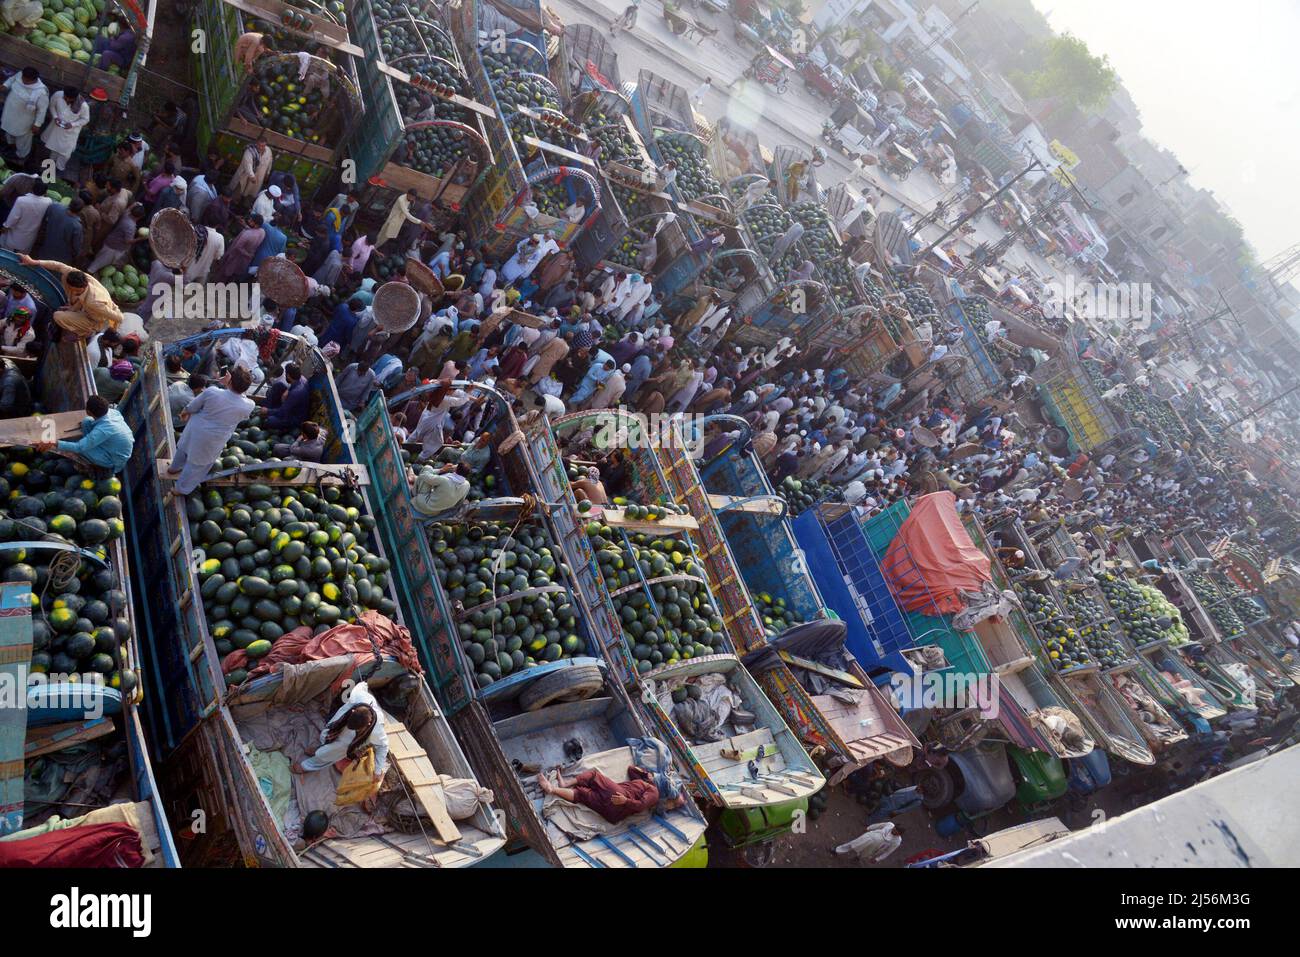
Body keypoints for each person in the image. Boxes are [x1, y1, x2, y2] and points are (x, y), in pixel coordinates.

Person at [167, 366, 257, 495]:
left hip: (195, 430)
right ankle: (179, 489)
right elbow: (238, 398)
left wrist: (185, 412)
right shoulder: (249, 405)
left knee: (183, 450)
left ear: (230, 381)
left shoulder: (212, 391)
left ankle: (173, 469)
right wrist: (230, 386)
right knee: (196, 465)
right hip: (214, 440)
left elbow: (192, 406)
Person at [291, 681, 389, 787]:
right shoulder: (358, 697)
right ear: (353, 711)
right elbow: (362, 686)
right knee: (328, 733)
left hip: (355, 738)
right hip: (344, 721)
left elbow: (383, 746)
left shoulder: (377, 731)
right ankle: (321, 747)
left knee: (332, 751)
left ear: (368, 724)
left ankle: (308, 766)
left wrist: (378, 771)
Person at [19, 254, 121, 339]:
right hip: (87, 306)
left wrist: (113, 327)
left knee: (58, 316)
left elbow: (119, 317)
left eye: (74, 291)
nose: (70, 291)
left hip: (93, 319)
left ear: (79, 288)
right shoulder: (76, 275)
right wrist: (34, 262)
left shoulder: (94, 302)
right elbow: (57, 266)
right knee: (65, 281)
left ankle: (85, 331)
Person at [536, 763, 675, 824]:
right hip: (611, 813)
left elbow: (640, 805)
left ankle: (565, 783)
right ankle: (552, 789)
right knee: (582, 794)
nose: (651, 775)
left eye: (654, 776)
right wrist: (645, 774)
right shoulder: (644, 782)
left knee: (594, 775)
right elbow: (631, 769)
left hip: (619, 799)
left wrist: (625, 801)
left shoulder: (654, 792)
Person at [38, 395, 133, 475]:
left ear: (88, 411)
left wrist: (54, 442)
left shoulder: (103, 430)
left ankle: (88, 447)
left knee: (80, 448)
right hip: (111, 446)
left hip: (112, 461)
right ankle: (88, 443)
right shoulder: (113, 412)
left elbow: (79, 447)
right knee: (86, 421)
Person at [1, 67, 48, 161]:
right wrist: (5, 85)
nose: (23, 80)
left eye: (26, 80)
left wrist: (37, 124)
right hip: (9, 113)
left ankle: (21, 155)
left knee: (22, 140)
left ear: (33, 80)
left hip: (24, 120)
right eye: (23, 77)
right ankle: (11, 146)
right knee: (9, 132)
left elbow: (42, 110)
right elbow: (11, 80)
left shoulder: (41, 92)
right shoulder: (19, 75)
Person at [41, 87, 89, 173]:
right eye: (65, 98)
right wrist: (55, 117)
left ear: (74, 98)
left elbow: (85, 119)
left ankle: (59, 168)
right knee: (54, 148)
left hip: (71, 133)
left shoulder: (83, 106)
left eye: (69, 99)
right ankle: (50, 167)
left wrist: (72, 124)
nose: (66, 100)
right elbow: (52, 106)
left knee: (65, 154)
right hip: (57, 128)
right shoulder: (58, 95)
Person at [0, 178, 50, 252]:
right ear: (45, 191)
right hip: (28, 241)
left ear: (32, 188)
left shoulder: (21, 200)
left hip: (13, 238)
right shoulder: (48, 202)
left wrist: (4, 228)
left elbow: (12, 219)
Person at [34, 197, 84, 263]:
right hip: (61, 258)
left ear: (69, 204)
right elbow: (76, 245)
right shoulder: (77, 226)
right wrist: (77, 254)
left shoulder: (55, 207)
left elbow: (44, 220)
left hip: (45, 249)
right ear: (80, 210)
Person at [265, 362, 309, 431]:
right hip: (292, 405)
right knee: (278, 385)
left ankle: (267, 413)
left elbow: (282, 412)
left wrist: (268, 411)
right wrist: (287, 390)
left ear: (288, 375)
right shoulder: (301, 378)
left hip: (295, 418)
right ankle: (268, 410)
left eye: (285, 374)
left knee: (270, 420)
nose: (284, 375)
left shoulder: (295, 393)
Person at [230, 137, 273, 204]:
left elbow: (270, 162)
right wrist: (252, 176)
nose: (261, 147)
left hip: (258, 178)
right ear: (256, 144)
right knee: (238, 190)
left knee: (251, 193)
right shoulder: (250, 151)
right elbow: (248, 164)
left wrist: (268, 172)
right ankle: (232, 203)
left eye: (263, 146)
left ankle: (244, 206)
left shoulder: (268, 151)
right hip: (246, 175)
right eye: (259, 145)